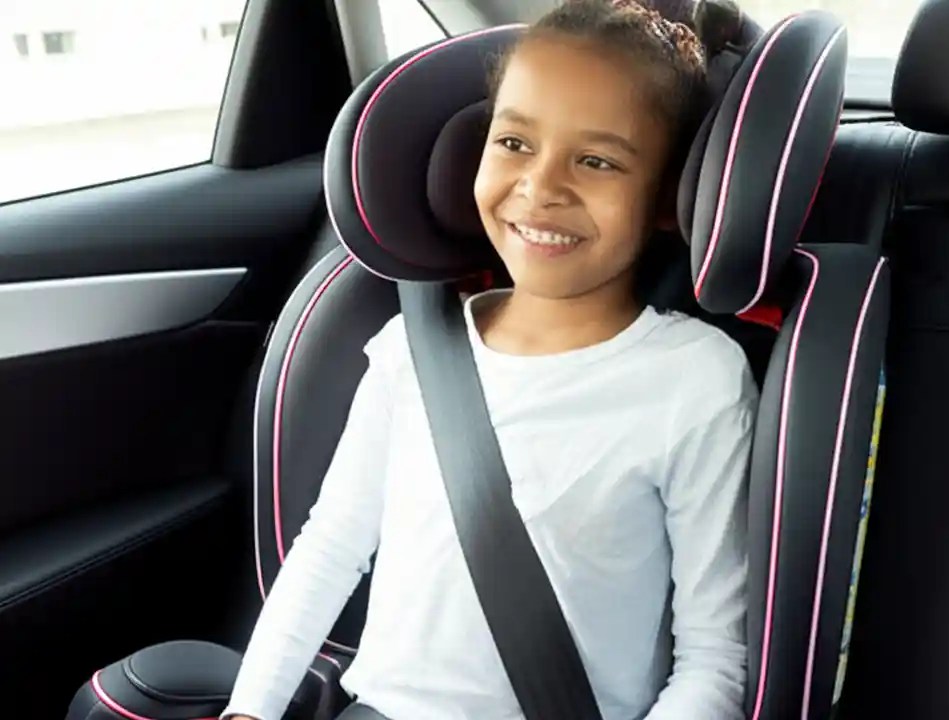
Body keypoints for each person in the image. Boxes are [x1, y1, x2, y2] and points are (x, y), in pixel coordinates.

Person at [222, 0, 755, 718]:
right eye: (514, 143)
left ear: (668, 197)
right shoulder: (411, 350)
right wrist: (250, 708)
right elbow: (331, 546)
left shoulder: (695, 380)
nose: (541, 187)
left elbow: (715, 659)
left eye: (596, 161)